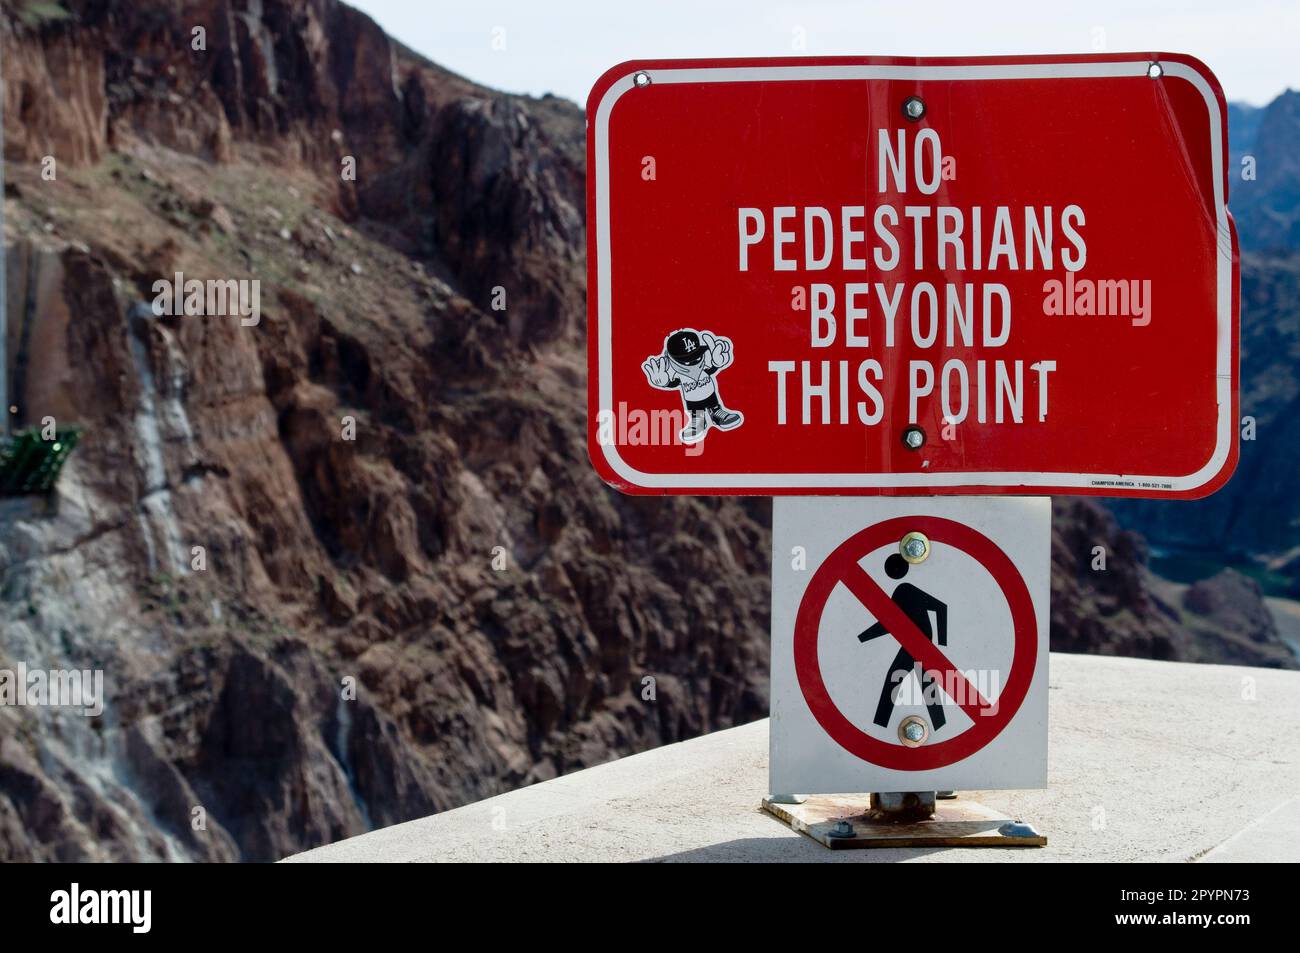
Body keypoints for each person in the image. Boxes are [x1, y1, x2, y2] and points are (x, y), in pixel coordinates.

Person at [857, 554, 949, 731]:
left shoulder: (905, 590)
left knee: (895, 677)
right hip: (916, 644)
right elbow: (890, 624)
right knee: (923, 683)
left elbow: (940, 607)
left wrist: (942, 642)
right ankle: (940, 724)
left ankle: (880, 724)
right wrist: (863, 637)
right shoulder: (900, 592)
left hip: (919, 644)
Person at [642, 328, 743, 444]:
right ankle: (698, 422)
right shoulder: (679, 374)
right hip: (692, 400)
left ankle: (716, 413)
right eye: (687, 361)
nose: (694, 363)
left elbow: (711, 369)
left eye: (697, 357)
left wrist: (717, 363)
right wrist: (664, 382)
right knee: (696, 412)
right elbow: (674, 383)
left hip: (711, 395)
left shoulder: (704, 367)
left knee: (714, 405)